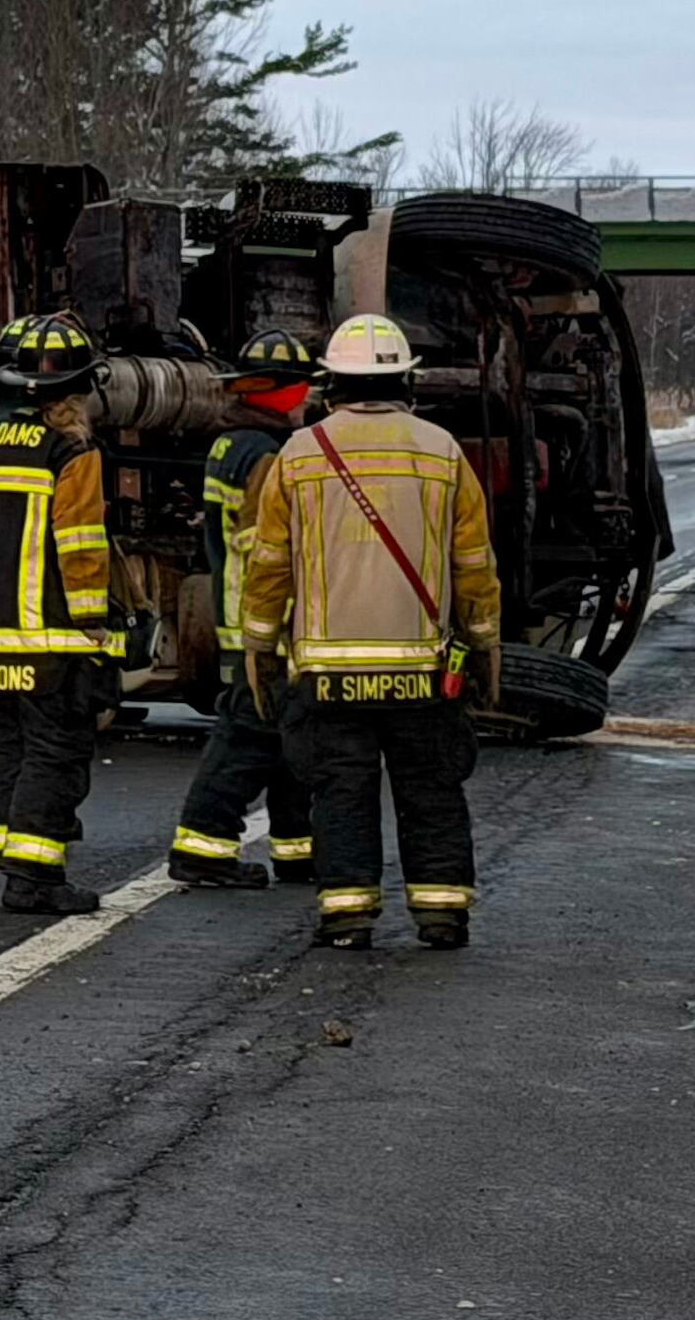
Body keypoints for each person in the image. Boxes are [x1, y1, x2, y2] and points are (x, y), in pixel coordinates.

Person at [237, 312, 501, 952]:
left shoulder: (298, 457)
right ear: (408, 382)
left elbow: (268, 565)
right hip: (420, 671)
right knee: (431, 788)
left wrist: (258, 646)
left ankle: (348, 913)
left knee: (341, 792)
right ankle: (441, 912)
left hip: (330, 673)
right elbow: (474, 565)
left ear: (331, 384)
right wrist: (486, 645)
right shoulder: (443, 453)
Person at [0, 312, 121, 917]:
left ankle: (6, 849)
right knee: (56, 751)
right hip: (48, 637)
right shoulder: (71, 448)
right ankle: (35, 877)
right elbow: (82, 548)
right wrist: (94, 627)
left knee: (10, 746)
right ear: (80, 388)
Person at [168, 329, 320, 890]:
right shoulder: (269, 456)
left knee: (289, 735)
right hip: (266, 625)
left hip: (240, 615)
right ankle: (203, 844)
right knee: (249, 734)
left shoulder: (231, 444)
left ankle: (298, 847)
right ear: (285, 391)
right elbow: (269, 548)